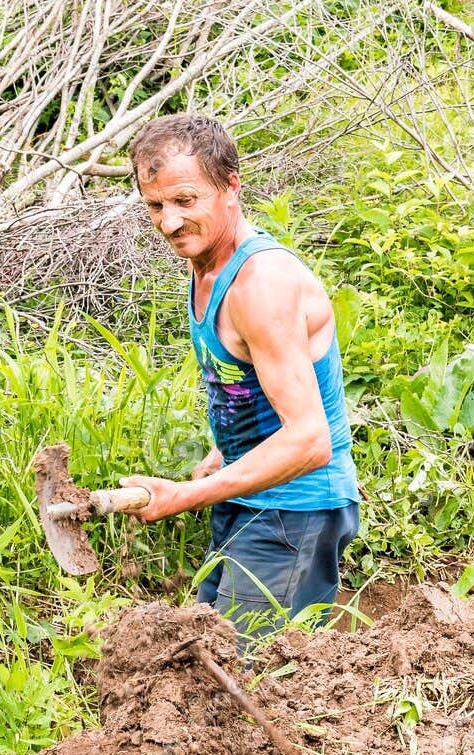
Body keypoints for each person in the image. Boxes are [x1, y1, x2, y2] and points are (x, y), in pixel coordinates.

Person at [120, 114, 361, 641]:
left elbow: (310, 440)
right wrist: (223, 453)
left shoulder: (261, 285)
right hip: (251, 494)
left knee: (247, 679)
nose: (169, 222)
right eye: (155, 206)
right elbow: (249, 389)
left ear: (231, 185)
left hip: (296, 511)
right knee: (205, 653)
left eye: (186, 201)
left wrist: (183, 496)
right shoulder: (205, 263)